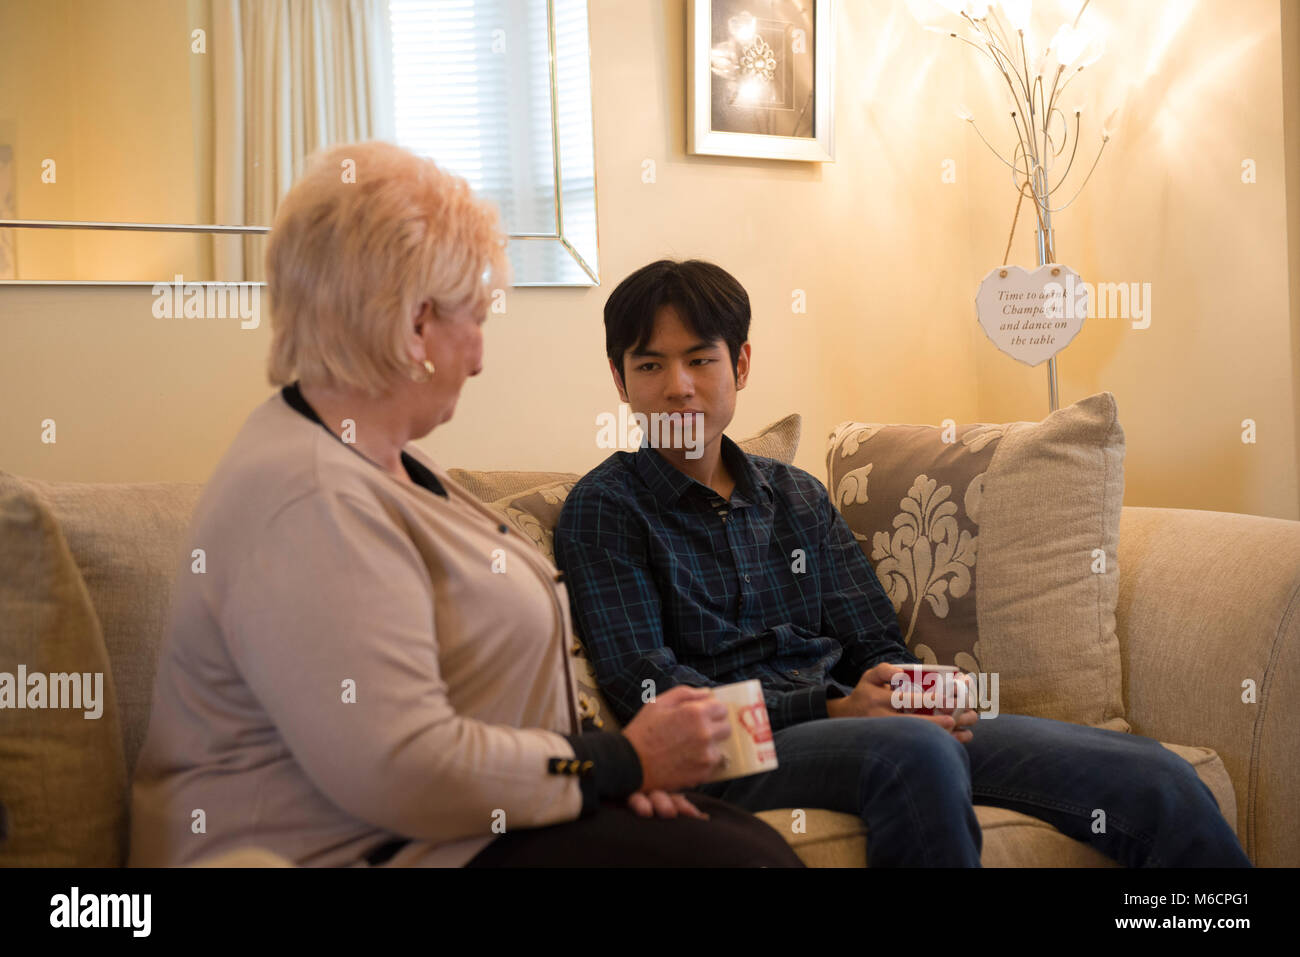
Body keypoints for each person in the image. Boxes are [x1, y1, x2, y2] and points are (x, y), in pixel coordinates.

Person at [127, 146, 802, 869]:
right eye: (473, 319)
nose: (479, 357)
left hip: (460, 827)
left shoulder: (384, 458)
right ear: (415, 325)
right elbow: (404, 766)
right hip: (359, 848)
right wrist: (614, 765)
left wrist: (599, 782)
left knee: (745, 844)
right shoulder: (311, 496)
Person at [552, 258, 1253, 868]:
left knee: (1153, 777)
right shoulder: (606, 510)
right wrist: (834, 707)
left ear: (739, 364)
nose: (678, 386)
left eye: (699, 358)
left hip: (863, 719)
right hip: (735, 754)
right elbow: (649, 688)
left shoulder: (794, 496)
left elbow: (875, 641)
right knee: (912, 753)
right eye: (650, 364)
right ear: (620, 379)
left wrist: (911, 691)